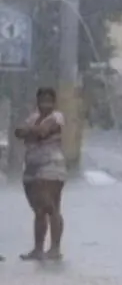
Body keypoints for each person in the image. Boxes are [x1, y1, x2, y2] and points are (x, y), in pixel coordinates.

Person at [12, 87, 67, 261]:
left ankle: (55, 249)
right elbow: (18, 132)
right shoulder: (34, 117)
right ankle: (38, 249)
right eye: (42, 100)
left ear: (54, 102)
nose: (45, 104)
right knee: (39, 210)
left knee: (51, 207)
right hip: (32, 167)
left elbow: (43, 132)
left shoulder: (57, 117)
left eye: (49, 100)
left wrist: (31, 131)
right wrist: (32, 131)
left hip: (51, 167)